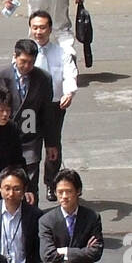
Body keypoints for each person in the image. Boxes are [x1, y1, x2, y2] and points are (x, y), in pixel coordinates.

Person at [0, 40, 53, 192]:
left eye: (31, 62)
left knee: (29, 185)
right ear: (15, 56)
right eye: (23, 61)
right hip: (3, 138)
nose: (27, 66)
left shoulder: (44, 79)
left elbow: (48, 114)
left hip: (30, 139)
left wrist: (51, 143)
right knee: (5, 182)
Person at [28, 10, 78, 202]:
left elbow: (69, 74)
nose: (38, 32)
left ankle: (51, 183)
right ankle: (30, 185)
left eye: (42, 28)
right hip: (30, 108)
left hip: (53, 107)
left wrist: (69, 93)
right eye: (35, 28)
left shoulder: (61, 53)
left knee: (53, 147)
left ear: (49, 29)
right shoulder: (25, 50)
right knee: (30, 145)